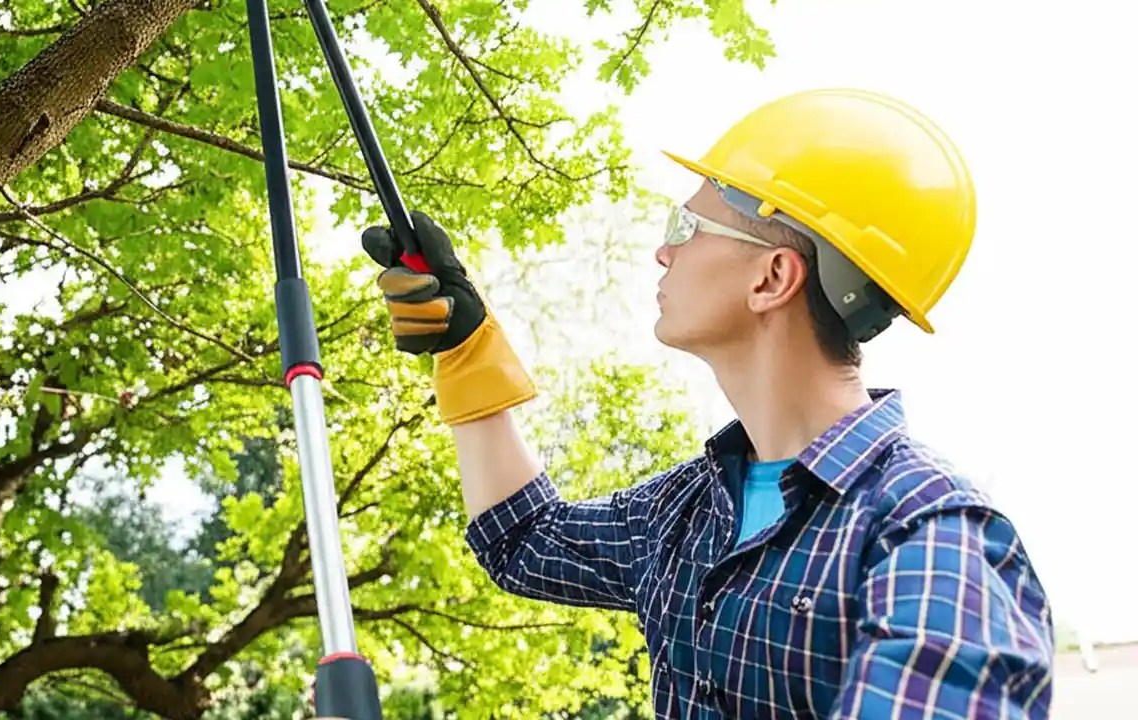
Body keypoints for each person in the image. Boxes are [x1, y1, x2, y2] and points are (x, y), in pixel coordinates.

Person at [359, 88, 1054, 719]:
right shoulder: (689, 510)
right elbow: (524, 540)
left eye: (687, 228)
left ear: (773, 277)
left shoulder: (932, 537)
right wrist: (467, 349)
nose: (664, 252)